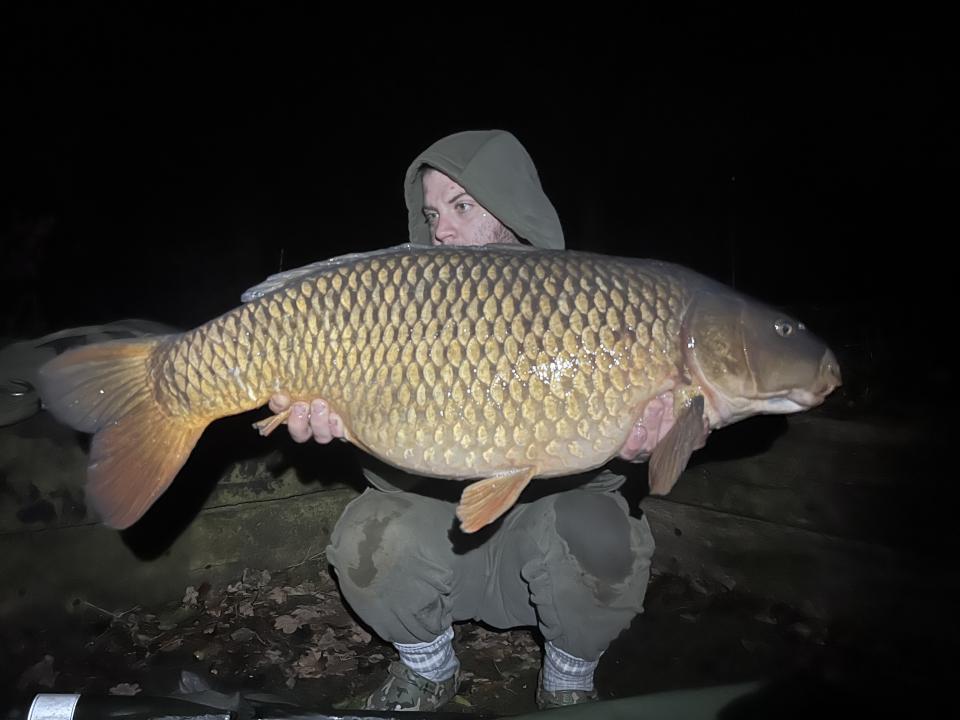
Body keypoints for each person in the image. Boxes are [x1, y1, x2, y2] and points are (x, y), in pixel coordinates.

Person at [269, 130, 656, 711]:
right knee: (370, 535)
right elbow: (388, 481)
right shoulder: (399, 308)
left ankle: (569, 680)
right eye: (431, 213)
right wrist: (339, 421)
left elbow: (610, 478)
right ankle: (429, 671)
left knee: (602, 533)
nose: (441, 229)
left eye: (462, 206)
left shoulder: (588, 304)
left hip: (544, 552)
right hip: (443, 548)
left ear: (512, 209)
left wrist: (643, 444)